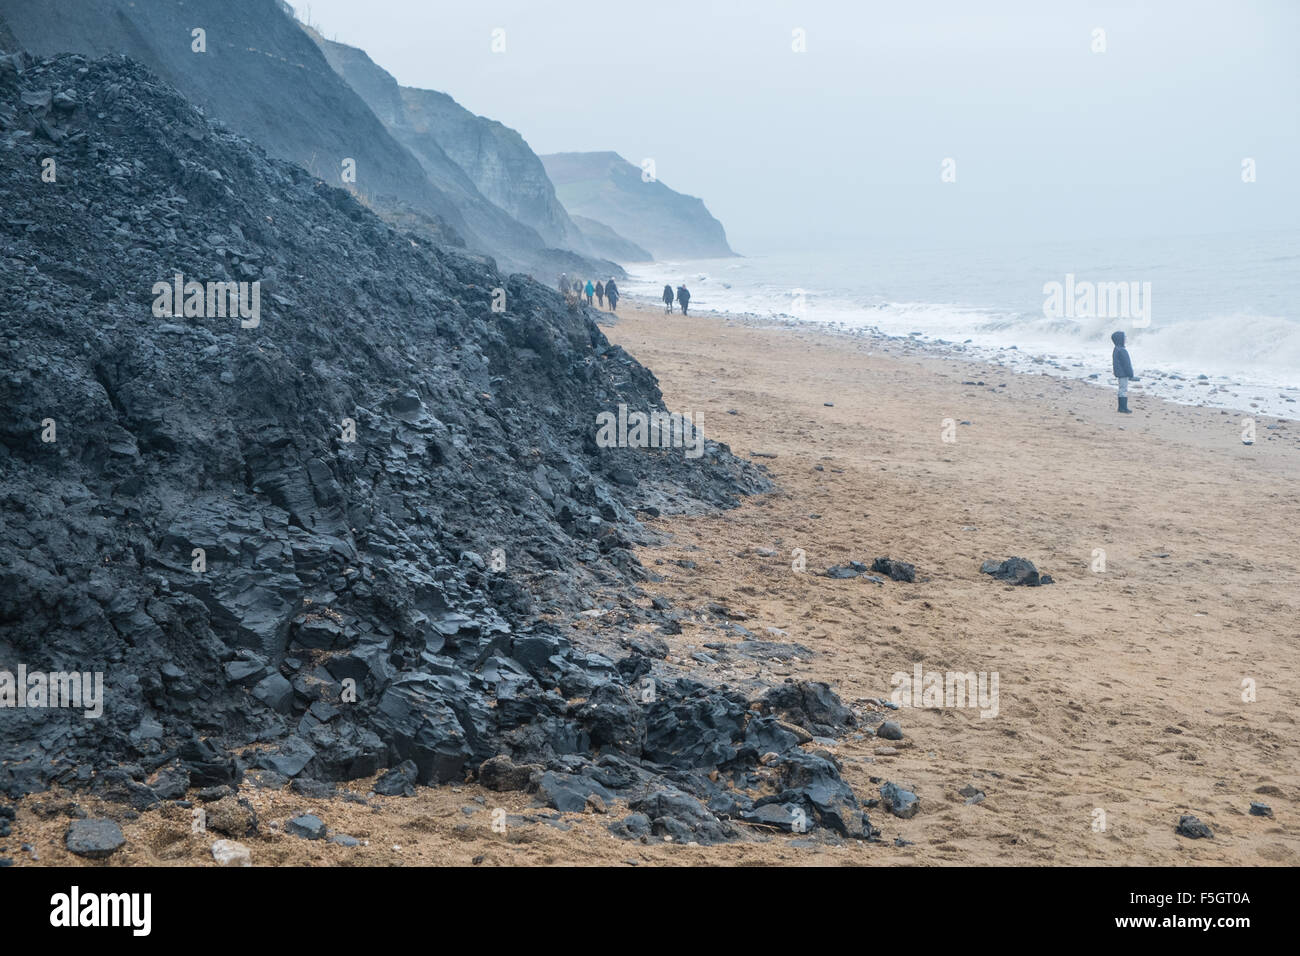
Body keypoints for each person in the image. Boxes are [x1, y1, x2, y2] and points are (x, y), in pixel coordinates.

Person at [1111, 330, 1139, 413]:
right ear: (1120, 339)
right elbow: (1127, 364)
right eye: (1124, 337)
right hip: (1123, 373)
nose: (1125, 339)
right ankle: (1123, 408)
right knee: (1123, 390)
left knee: (1122, 389)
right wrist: (1131, 374)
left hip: (1119, 372)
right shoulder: (1122, 350)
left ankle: (1122, 407)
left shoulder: (1116, 349)